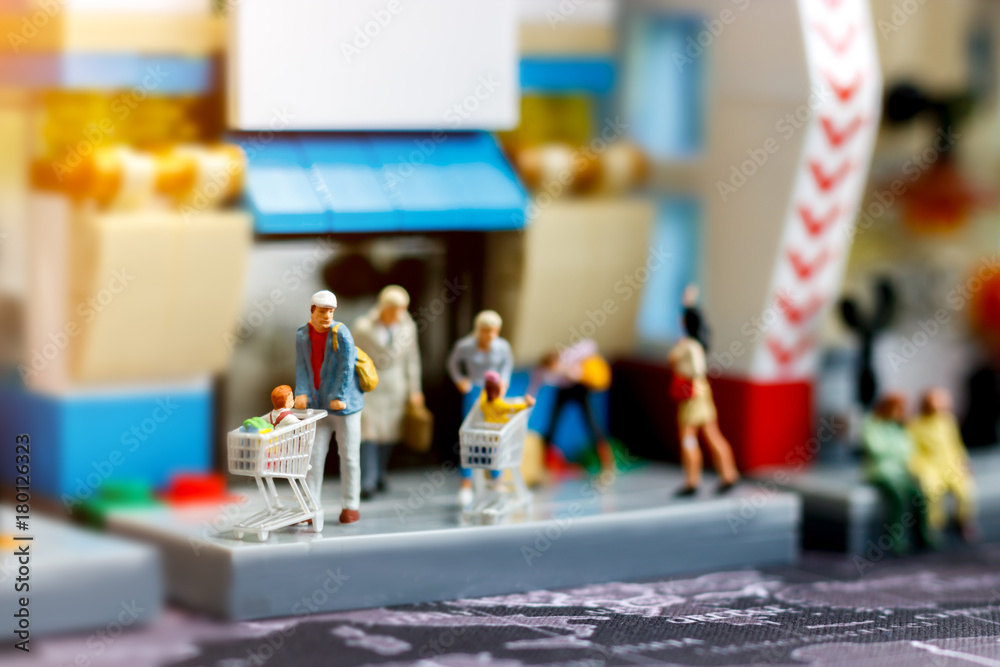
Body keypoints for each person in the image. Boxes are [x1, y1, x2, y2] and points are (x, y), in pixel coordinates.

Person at [294, 290, 365, 524]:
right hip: (317, 404)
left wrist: (338, 395)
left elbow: (346, 368)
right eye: (323, 311)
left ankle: (350, 505)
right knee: (313, 457)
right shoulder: (303, 335)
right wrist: (302, 392)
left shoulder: (341, 333)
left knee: (349, 456)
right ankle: (310, 505)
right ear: (313, 310)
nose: (327, 316)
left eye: (331, 312)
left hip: (345, 406)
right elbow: (303, 367)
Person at [353, 285, 423, 500]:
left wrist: (415, 389)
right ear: (383, 306)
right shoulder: (363, 327)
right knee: (368, 433)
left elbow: (412, 360)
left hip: (395, 387)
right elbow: (352, 358)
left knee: (389, 434)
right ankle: (368, 479)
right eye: (393, 309)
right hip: (369, 387)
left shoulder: (407, 327)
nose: (397, 314)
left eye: (401, 309)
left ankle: (381, 473)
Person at [668, 289, 739, 496]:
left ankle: (692, 480)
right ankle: (728, 474)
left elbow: (680, 363)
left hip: (691, 394)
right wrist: (689, 302)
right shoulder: (698, 343)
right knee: (712, 433)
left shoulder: (687, 347)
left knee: (687, 436)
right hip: (702, 392)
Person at [448, 310, 514, 505]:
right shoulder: (466, 345)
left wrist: (504, 381)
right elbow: (452, 363)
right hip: (474, 391)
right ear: (479, 330)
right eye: (487, 331)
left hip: (494, 394)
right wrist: (460, 380)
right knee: (470, 435)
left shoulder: (502, 346)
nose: (491, 335)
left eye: (495, 331)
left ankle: (496, 478)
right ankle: (466, 482)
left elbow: (508, 364)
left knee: (495, 434)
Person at [527, 339, 613, 474]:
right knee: (551, 426)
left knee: (593, 427)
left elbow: (590, 344)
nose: (553, 371)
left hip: (581, 389)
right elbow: (533, 389)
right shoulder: (542, 371)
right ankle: (544, 464)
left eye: (554, 367)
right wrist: (527, 408)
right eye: (550, 370)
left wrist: (573, 370)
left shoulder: (569, 357)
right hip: (564, 391)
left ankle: (607, 466)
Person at [908, 388, 978, 543]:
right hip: (930, 467)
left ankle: (963, 520)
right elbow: (913, 453)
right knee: (932, 492)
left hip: (951, 464)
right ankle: (934, 526)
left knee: (965, 490)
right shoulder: (916, 425)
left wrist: (964, 461)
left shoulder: (947, 421)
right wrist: (919, 469)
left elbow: (956, 445)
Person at [862, 393, 927, 554]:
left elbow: (908, 450)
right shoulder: (872, 422)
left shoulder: (899, 426)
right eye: (899, 408)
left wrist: (894, 451)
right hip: (880, 473)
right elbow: (876, 449)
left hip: (900, 472)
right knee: (898, 496)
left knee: (918, 495)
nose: (901, 412)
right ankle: (895, 538)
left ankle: (923, 534)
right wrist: (895, 450)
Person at [478, 371, 535, 492]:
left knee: (490, 459)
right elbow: (512, 408)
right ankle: (497, 482)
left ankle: (493, 481)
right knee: (497, 460)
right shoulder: (498, 404)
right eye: (503, 388)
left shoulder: (484, 402)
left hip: (487, 437)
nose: (504, 390)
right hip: (498, 438)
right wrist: (527, 404)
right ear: (497, 390)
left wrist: (488, 382)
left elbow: (484, 392)